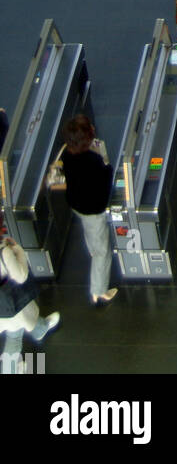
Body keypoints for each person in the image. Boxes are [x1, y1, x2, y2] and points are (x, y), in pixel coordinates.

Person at [56, 115, 115, 307]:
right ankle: (99, 292)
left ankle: (92, 249)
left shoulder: (65, 153)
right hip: (93, 210)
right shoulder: (94, 159)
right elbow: (107, 175)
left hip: (76, 204)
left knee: (91, 234)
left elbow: (57, 179)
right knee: (102, 252)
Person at [0, 232, 61, 368]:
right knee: (14, 336)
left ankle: (41, 328)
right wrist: (18, 250)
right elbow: (20, 276)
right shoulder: (4, 253)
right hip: (8, 305)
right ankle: (9, 370)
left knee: (25, 320)